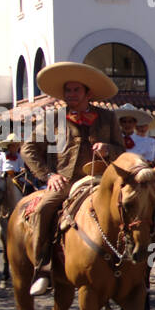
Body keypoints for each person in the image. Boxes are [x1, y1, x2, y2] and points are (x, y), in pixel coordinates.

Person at [20, 62, 123, 296]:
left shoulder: (108, 118)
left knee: (134, 206)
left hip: (102, 179)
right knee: (44, 209)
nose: (71, 94)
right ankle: (43, 269)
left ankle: (136, 263)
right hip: (66, 183)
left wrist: (109, 148)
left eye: (76, 90)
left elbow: (122, 150)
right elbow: (28, 149)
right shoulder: (52, 118)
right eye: (68, 90)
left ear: (88, 93)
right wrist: (49, 175)